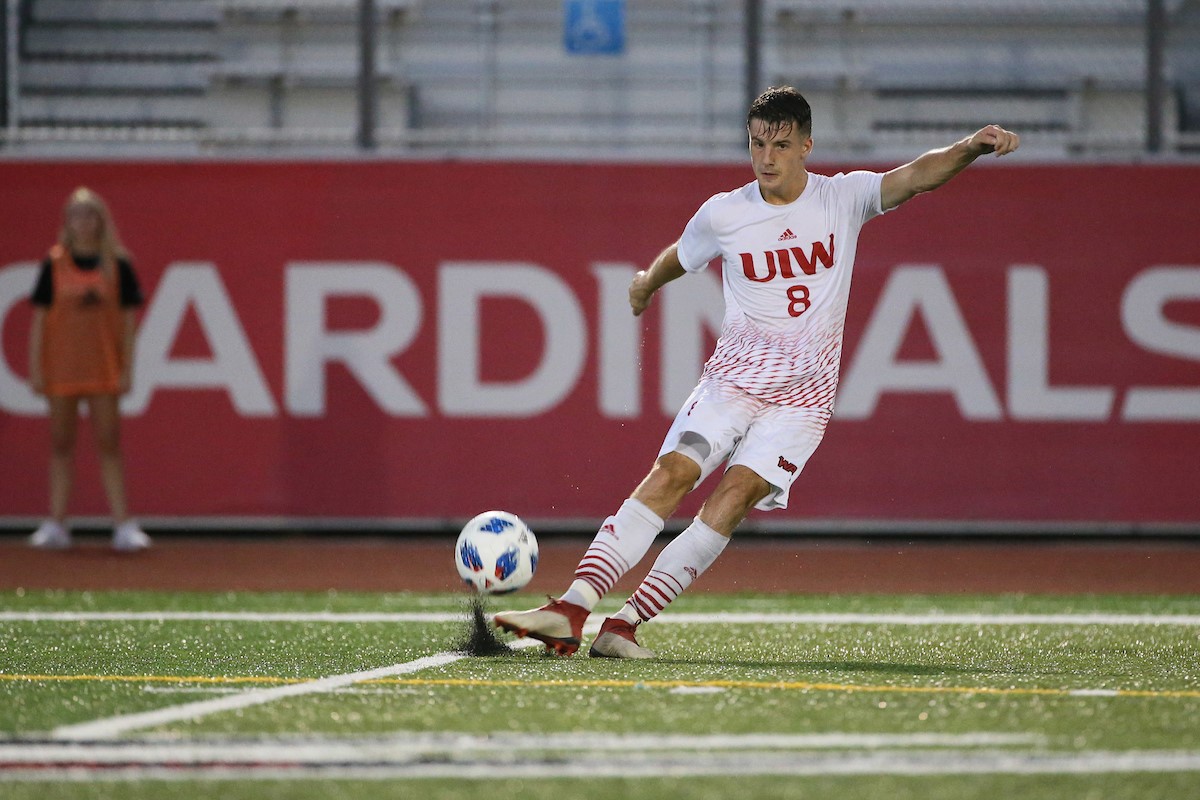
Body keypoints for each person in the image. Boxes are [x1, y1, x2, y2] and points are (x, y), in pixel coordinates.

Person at [495, 86, 1019, 658]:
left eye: (781, 145)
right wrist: (647, 282)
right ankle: (571, 608)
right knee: (672, 473)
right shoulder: (725, 212)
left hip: (802, 403)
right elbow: (683, 254)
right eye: (758, 144)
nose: (767, 158)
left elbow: (917, 176)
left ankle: (623, 627)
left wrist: (970, 147)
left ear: (807, 147)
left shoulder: (842, 198)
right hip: (730, 385)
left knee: (734, 497)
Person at [27, 187, 151, 552]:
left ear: (101, 220)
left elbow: (128, 323)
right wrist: (37, 367)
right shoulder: (54, 263)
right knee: (61, 444)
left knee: (109, 443)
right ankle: (57, 522)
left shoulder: (117, 264)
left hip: (103, 367)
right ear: (67, 222)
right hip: (62, 367)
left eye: (90, 215)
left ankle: (123, 524)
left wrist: (127, 366)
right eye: (76, 215)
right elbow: (39, 321)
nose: (83, 222)